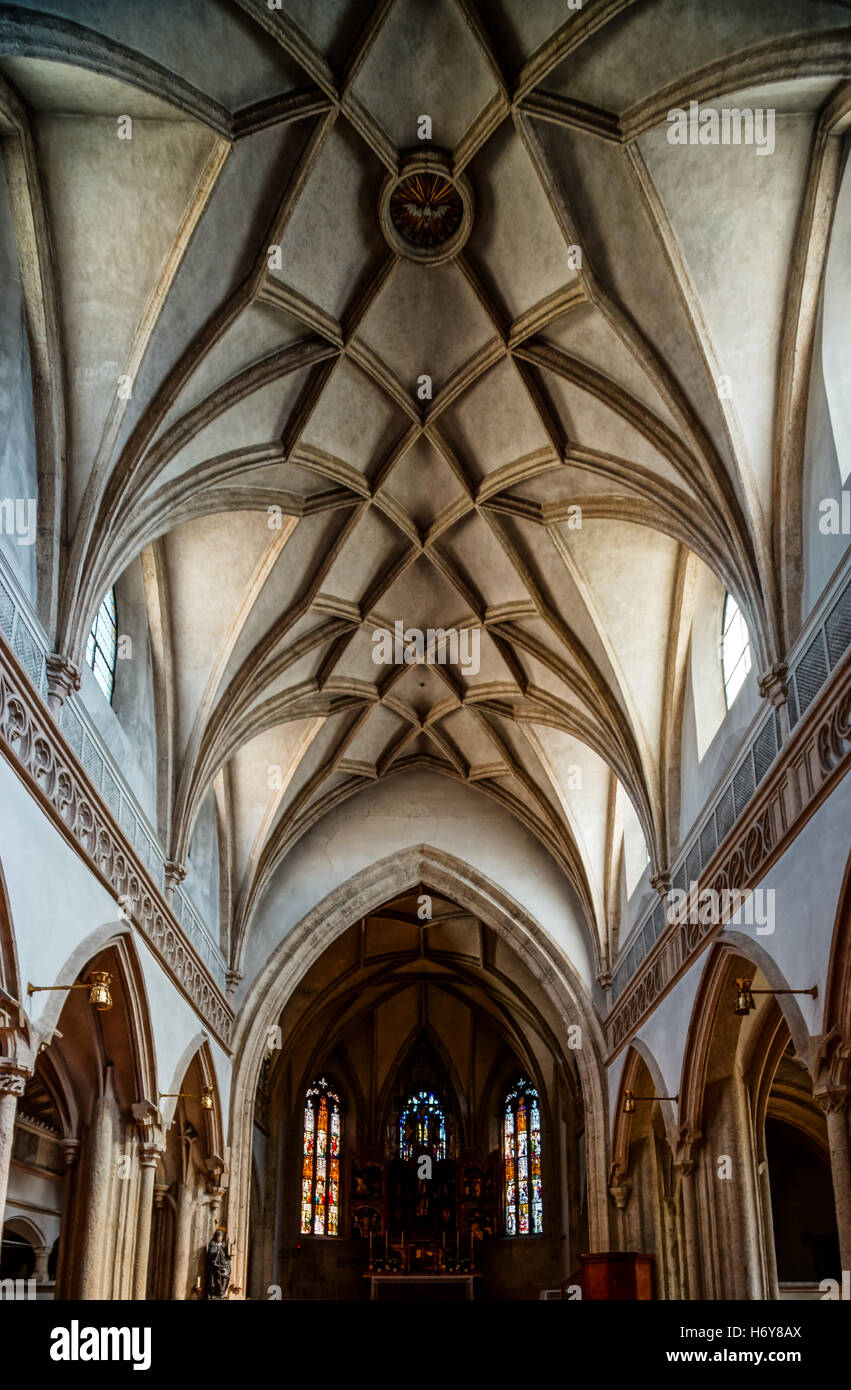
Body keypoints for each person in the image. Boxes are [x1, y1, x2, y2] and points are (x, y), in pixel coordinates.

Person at [206, 1227, 231, 1299]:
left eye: (222, 1236)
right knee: (215, 1280)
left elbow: (227, 1253)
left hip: (224, 1264)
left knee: (226, 1276)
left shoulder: (223, 1244)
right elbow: (210, 1253)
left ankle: (222, 1292)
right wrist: (215, 1252)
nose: (220, 1238)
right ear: (216, 1236)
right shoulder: (213, 1243)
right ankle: (215, 1294)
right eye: (219, 1236)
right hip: (215, 1265)